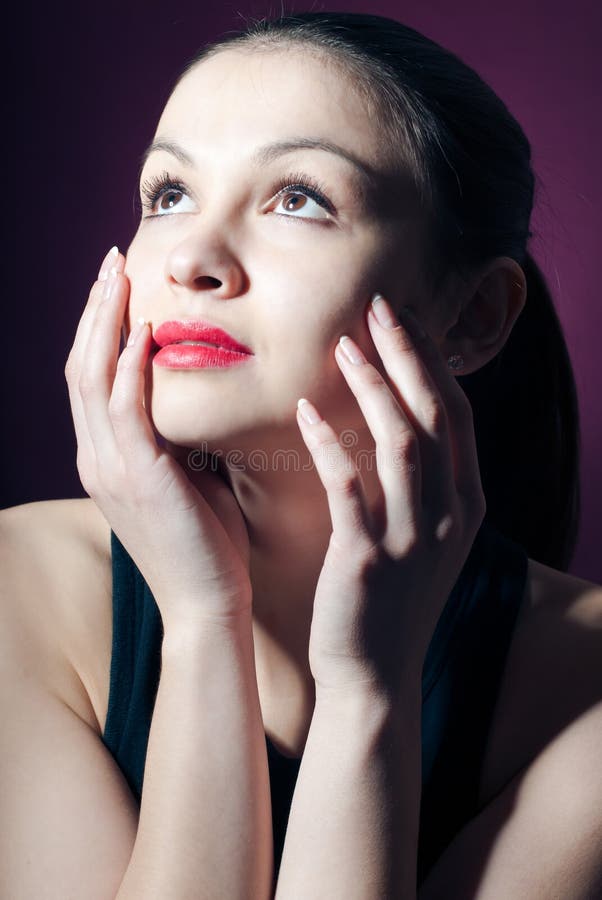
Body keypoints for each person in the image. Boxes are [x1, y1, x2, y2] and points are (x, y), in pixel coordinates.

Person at [1, 10, 600, 899]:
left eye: (299, 199)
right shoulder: (19, 585)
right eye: (169, 194)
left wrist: (367, 693)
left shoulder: (584, 692)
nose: (193, 257)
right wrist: (205, 622)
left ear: (472, 316)